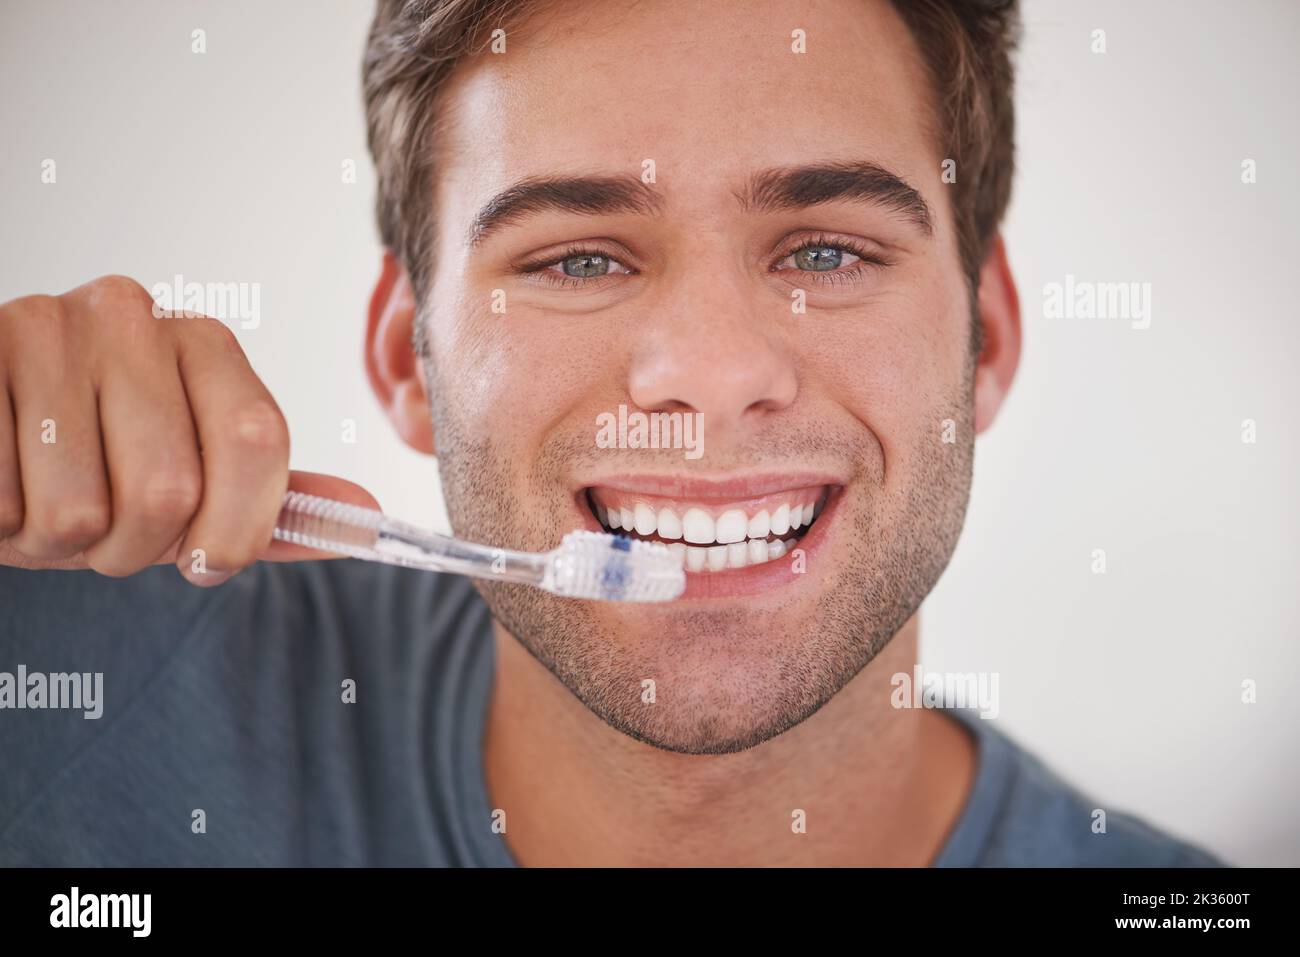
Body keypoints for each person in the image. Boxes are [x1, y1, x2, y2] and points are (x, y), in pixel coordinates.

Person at [0, 0, 1222, 866]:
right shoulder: (70, 642)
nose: (711, 375)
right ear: (405, 358)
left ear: (987, 340)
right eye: (579, 257)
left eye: (828, 250)